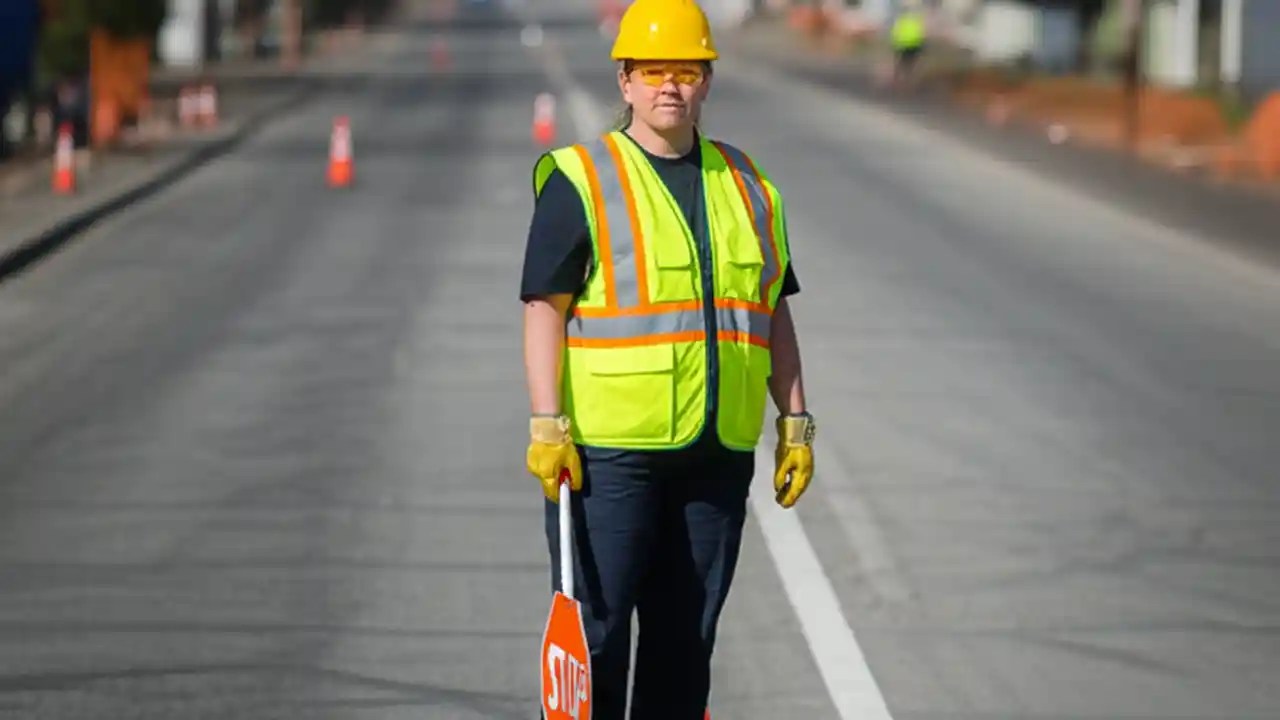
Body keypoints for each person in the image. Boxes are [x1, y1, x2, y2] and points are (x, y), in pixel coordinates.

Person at [519, 0, 816, 716]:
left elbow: (772, 311)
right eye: (653, 71)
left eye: (686, 70)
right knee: (599, 636)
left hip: (715, 457)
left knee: (686, 647)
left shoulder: (749, 186)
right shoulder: (581, 178)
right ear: (625, 80)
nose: (670, 86)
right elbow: (543, 309)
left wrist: (796, 424)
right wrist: (547, 423)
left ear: (707, 79)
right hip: (609, 458)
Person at [891, 0, 928, 89]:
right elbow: (921, 33)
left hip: (903, 45)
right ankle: (909, 83)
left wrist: (894, 44)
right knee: (911, 65)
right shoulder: (916, 19)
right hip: (913, 45)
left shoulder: (901, 19)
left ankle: (901, 82)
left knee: (902, 65)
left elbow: (895, 32)